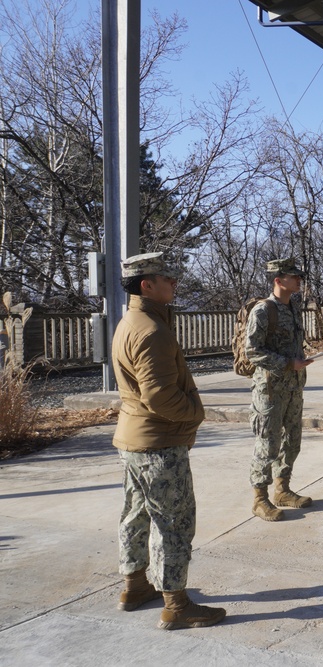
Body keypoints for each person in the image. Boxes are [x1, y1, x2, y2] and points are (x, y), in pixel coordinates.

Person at [111, 251, 226, 630]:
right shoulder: (151, 330)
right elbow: (159, 396)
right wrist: (196, 412)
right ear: (147, 285)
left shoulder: (133, 320)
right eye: (167, 278)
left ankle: (135, 586)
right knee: (174, 522)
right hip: (158, 443)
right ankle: (176, 605)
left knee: (136, 514)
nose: (175, 283)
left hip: (135, 439)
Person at [247, 257, 315, 522]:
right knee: (268, 443)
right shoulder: (263, 310)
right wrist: (288, 363)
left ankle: (282, 490)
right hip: (271, 390)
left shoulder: (293, 307)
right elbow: (252, 351)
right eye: (293, 276)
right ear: (278, 280)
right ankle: (259, 499)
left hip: (293, 387)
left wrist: (300, 361)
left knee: (291, 441)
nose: (299, 280)